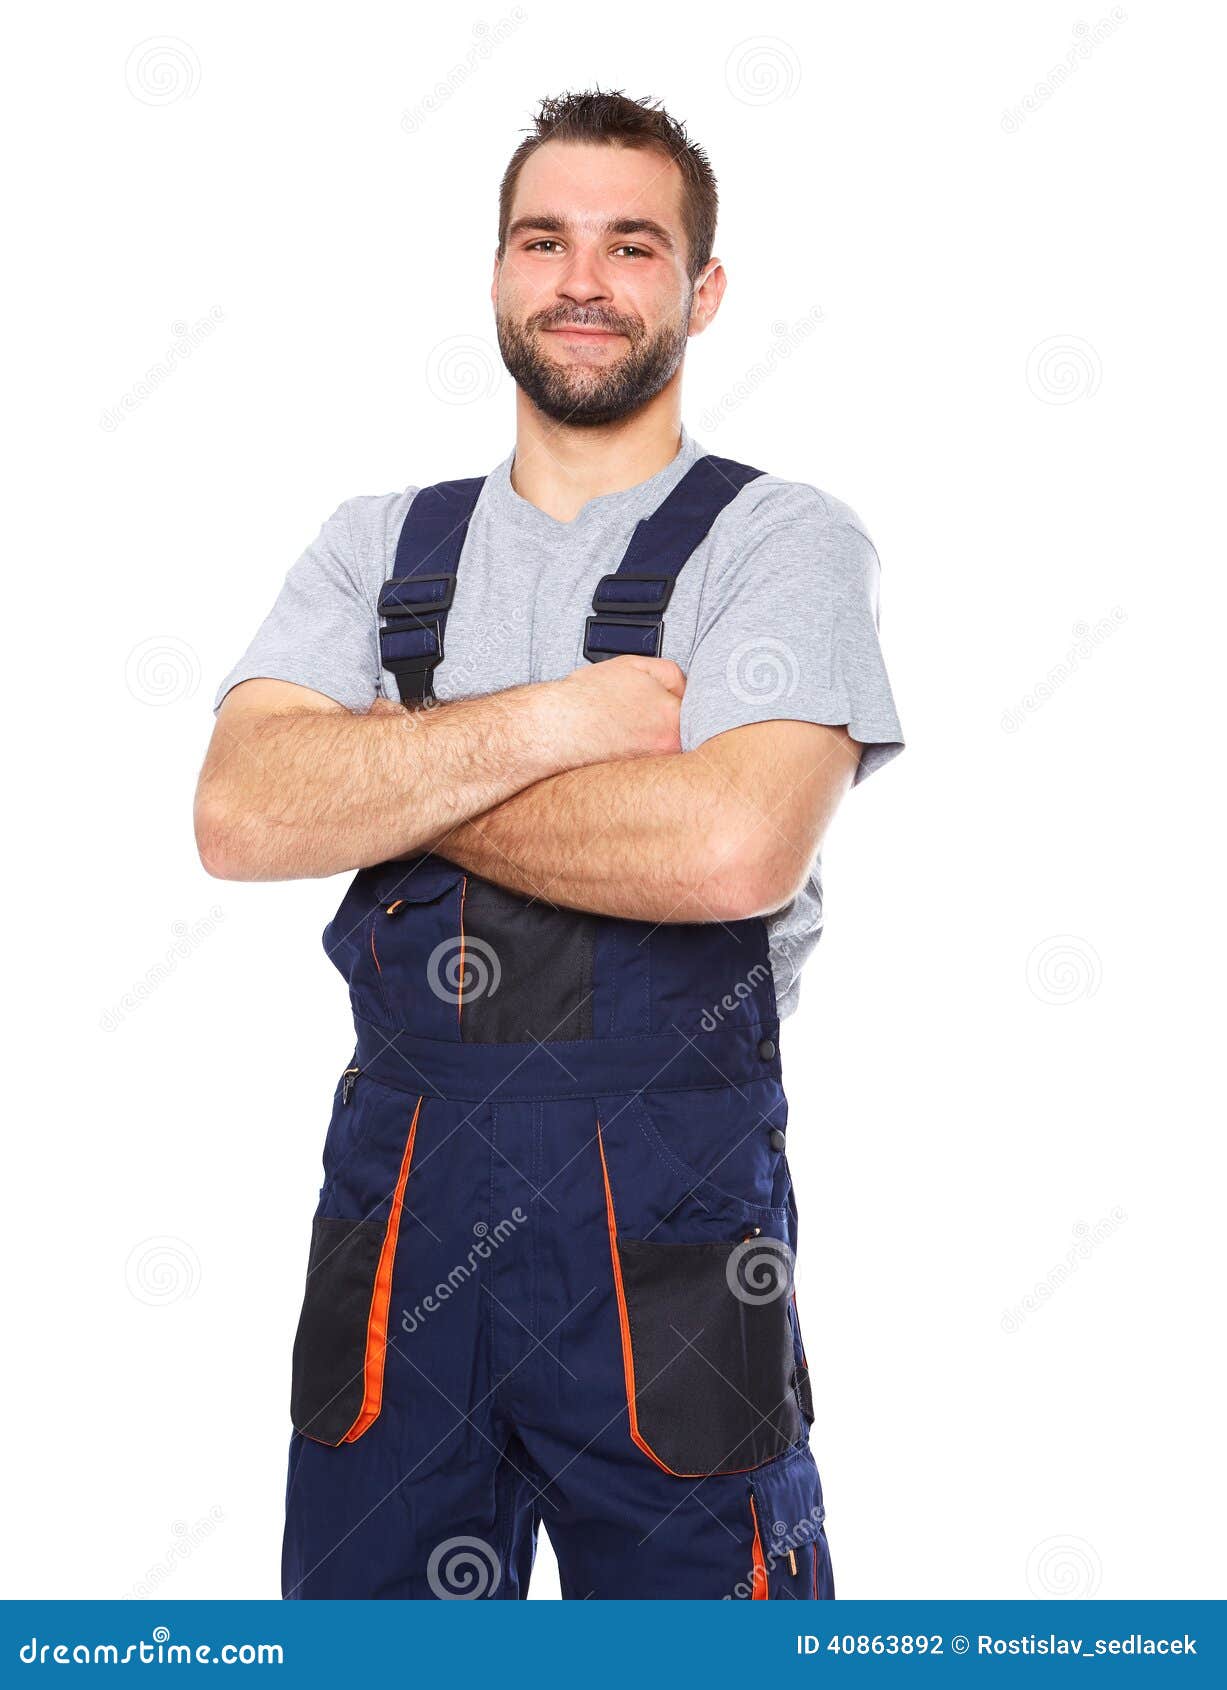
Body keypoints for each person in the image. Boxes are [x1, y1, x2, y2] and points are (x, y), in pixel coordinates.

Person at [195, 88, 905, 1601]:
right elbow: (244, 812)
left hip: (667, 1256)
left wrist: (390, 764)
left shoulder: (783, 545)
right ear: (498, 273)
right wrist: (567, 723)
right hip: (396, 1244)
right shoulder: (372, 542)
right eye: (546, 239)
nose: (583, 279)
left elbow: (730, 847)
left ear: (700, 291)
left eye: (632, 246)